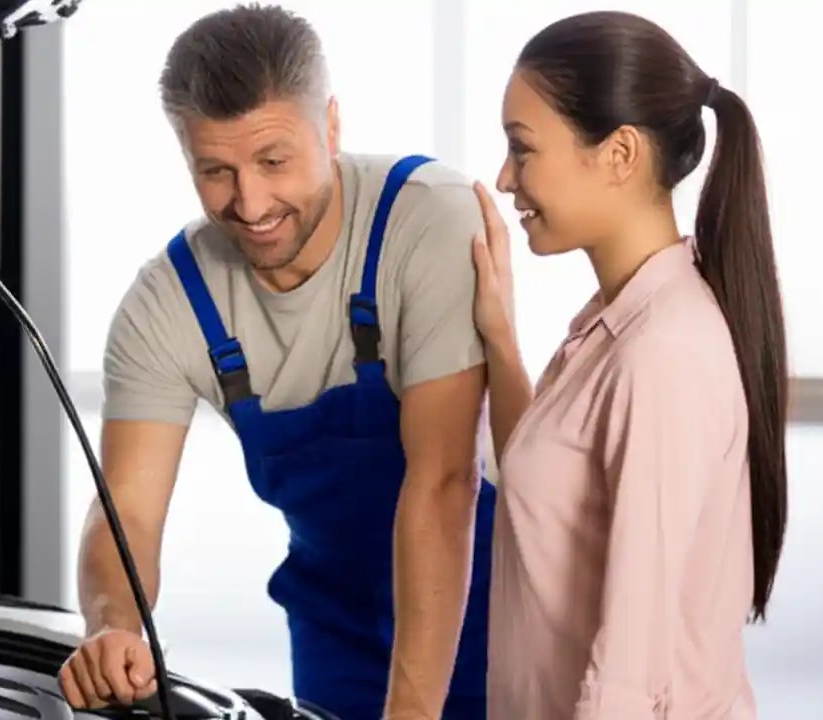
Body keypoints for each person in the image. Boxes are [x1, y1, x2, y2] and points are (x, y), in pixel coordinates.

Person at [57, 5, 496, 719]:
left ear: (329, 127)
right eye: (216, 171)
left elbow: (446, 482)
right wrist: (113, 623)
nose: (251, 203)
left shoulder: (428, 221)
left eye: (273, 161)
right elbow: (126, 510)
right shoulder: (168, 301)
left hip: (492, 605)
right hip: (334, 621)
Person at [470, 10, 789, 719]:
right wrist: (500, 339)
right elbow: (546, 499)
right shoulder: (619, 326)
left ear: (619, 154)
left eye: (522, 150)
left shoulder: (661, 355)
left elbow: (631, 672)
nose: (503, 178)